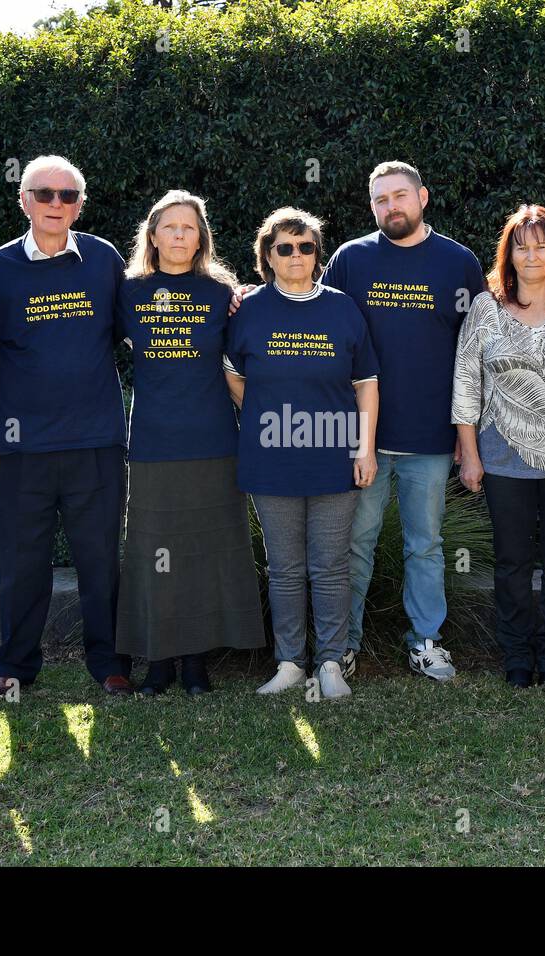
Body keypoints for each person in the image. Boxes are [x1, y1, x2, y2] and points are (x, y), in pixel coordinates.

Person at [0, 156, 134, 699]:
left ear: (80, 204)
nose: (56, 204)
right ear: (24, 200)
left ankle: (109, 663)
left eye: (67, 195)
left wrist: (223, 299)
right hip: (20, 446)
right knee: (22, 562)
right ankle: (15, 666)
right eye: (44, 194)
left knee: (100, 560)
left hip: (97, 442)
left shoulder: (105, 261)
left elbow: (146, 325)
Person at [322, 161, 486, 681]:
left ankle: (425, 640)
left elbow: (476, 351)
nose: (391, 206)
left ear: (423, 197)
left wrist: (468, 435)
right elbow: (315, 318)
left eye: (400, 196)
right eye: (380, 199)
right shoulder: (351, 259)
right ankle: (342, 645)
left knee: (426, 544)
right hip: (362, 438)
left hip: (430, 437)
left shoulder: (457, 262)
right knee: (355, 543)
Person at [114, 190, 266, 695]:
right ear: (152, 235)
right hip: (154, 442)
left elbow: (249, 357)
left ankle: (197, 663)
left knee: (203, 552)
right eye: (170, 227)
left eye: (190, 228)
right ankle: (158, 660)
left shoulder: (223, 293)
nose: (180, 236)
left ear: (201, 238)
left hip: (214, 440)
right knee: (155, 550)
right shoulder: (128, 292)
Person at [224, 207, 380, 699]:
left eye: (305, 246)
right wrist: (270, 412)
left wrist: (365, 448)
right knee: (285, 567)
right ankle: (290, 662)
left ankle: (331, 663)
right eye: (284, 247)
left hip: (335, 456)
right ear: (267, 256)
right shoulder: (248, 310)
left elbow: (366, 384)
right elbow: (231, 373)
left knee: (331, 565)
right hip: (271, 458)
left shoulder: (343, 308)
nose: (295, 255)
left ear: (317, 253)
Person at [452, 205, 545, 689]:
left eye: (541, 245)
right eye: (520, 245)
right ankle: (516, 657)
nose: (530, 254)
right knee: (511, 562)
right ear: (508, 253)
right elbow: (466, 380)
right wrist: (469, 453)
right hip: (502, 458)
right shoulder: (486, 307)